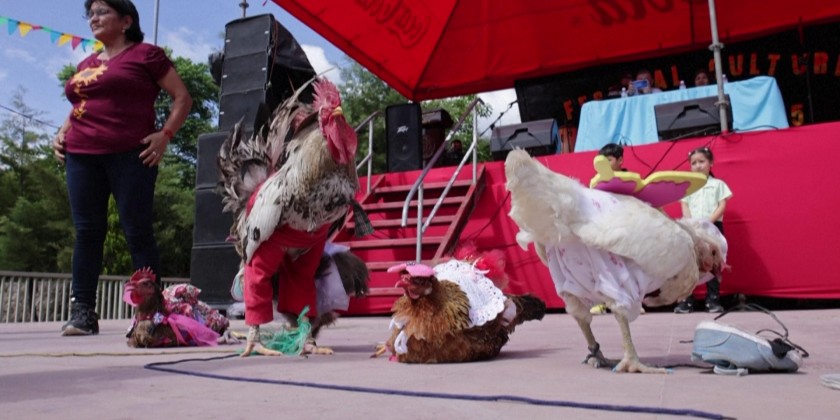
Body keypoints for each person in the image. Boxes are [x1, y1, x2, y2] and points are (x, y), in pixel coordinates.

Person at [51, 0, 193, 335]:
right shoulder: (86, 63)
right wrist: (61, 133)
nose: (93, 19)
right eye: (91, 14)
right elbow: (80, 105)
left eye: (102, 12)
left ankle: (151, 314)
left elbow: (182, 97)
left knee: (137, 230)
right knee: (87, 233)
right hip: (82, 155)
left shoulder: (146, 54)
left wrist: (166, 134)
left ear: (126, 20)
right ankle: (83, 312)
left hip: (132, 154)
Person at [675, 147, 732, 314]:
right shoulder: (689, 185)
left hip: (713, 228)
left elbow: (722, 204)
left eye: (702, 161)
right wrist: (691, 223)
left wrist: (709, 221)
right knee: (690, 264)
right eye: (694, 163)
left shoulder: (718, 184)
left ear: (711, 163)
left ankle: (713, 300)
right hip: (693, 229)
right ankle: (686, 300)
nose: (698, 165)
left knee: (712, 264)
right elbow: (684, 204)